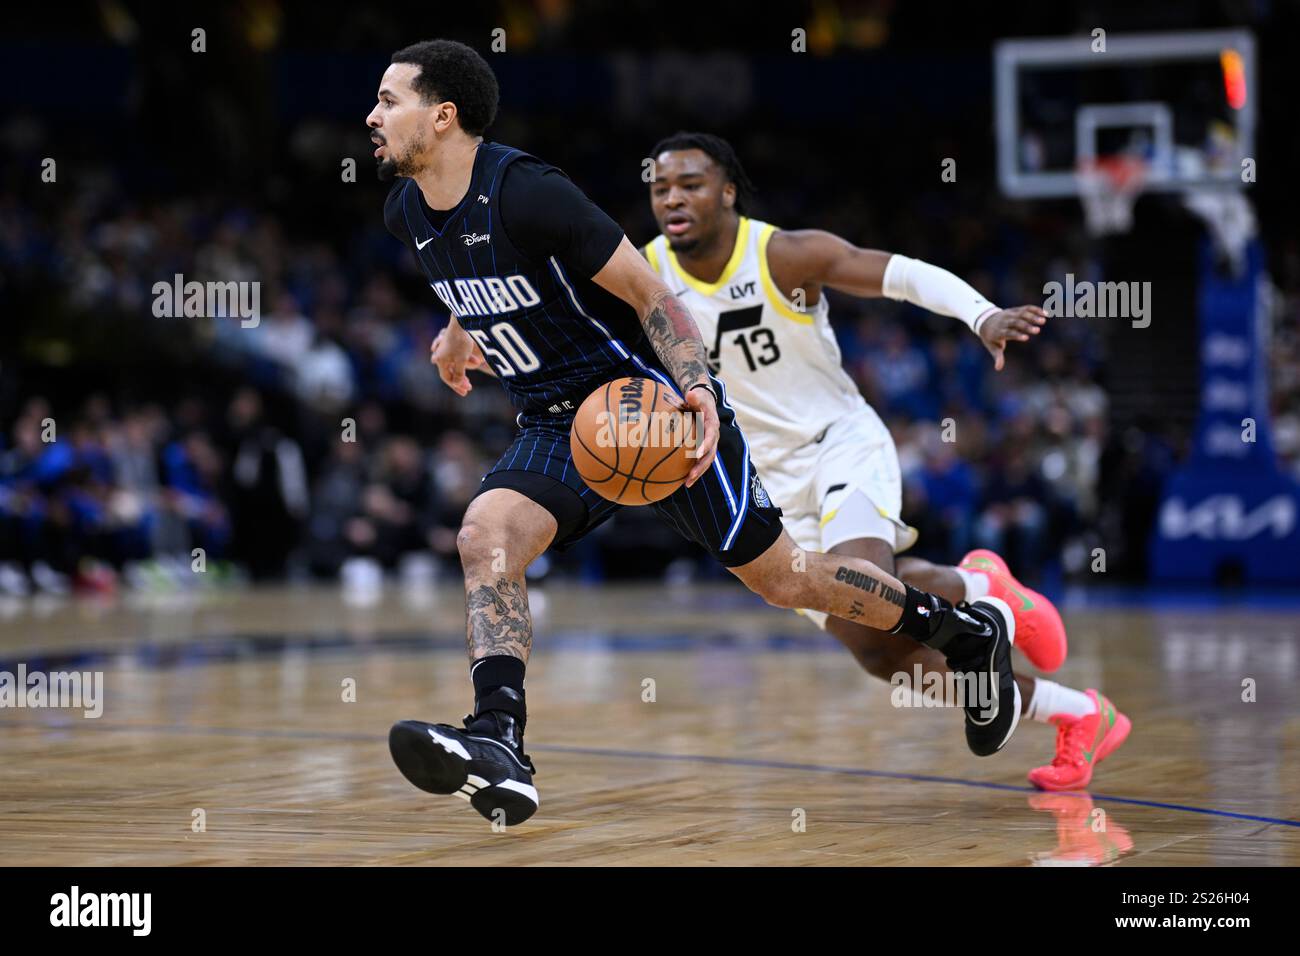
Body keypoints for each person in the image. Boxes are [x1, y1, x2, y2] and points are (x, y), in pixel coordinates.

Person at [370, 40, 1020, 827]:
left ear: (442, 117)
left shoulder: (530, 190)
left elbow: (651, 294)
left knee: (786, 580)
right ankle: (499, 740)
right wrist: (456, 330)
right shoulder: (406, 209)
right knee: (486, 534)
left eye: (388, 100)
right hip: (553, 418)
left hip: (645, 402)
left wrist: (698, 388)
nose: (372, 116)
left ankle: (960, 630)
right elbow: (477, 273)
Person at [640, 132, 1130, 791]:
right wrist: (470, 331)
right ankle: (1076, 708)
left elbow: (900, 275)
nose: (673, 198)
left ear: (727, 191)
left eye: (690, 184)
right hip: (762, 483)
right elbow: (563, 302)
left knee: (864, 580)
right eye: (661, 188)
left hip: (839, 442)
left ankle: (987, 601)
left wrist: (981, 315)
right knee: (878, 649)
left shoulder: (784, 253)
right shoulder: (642, 273)